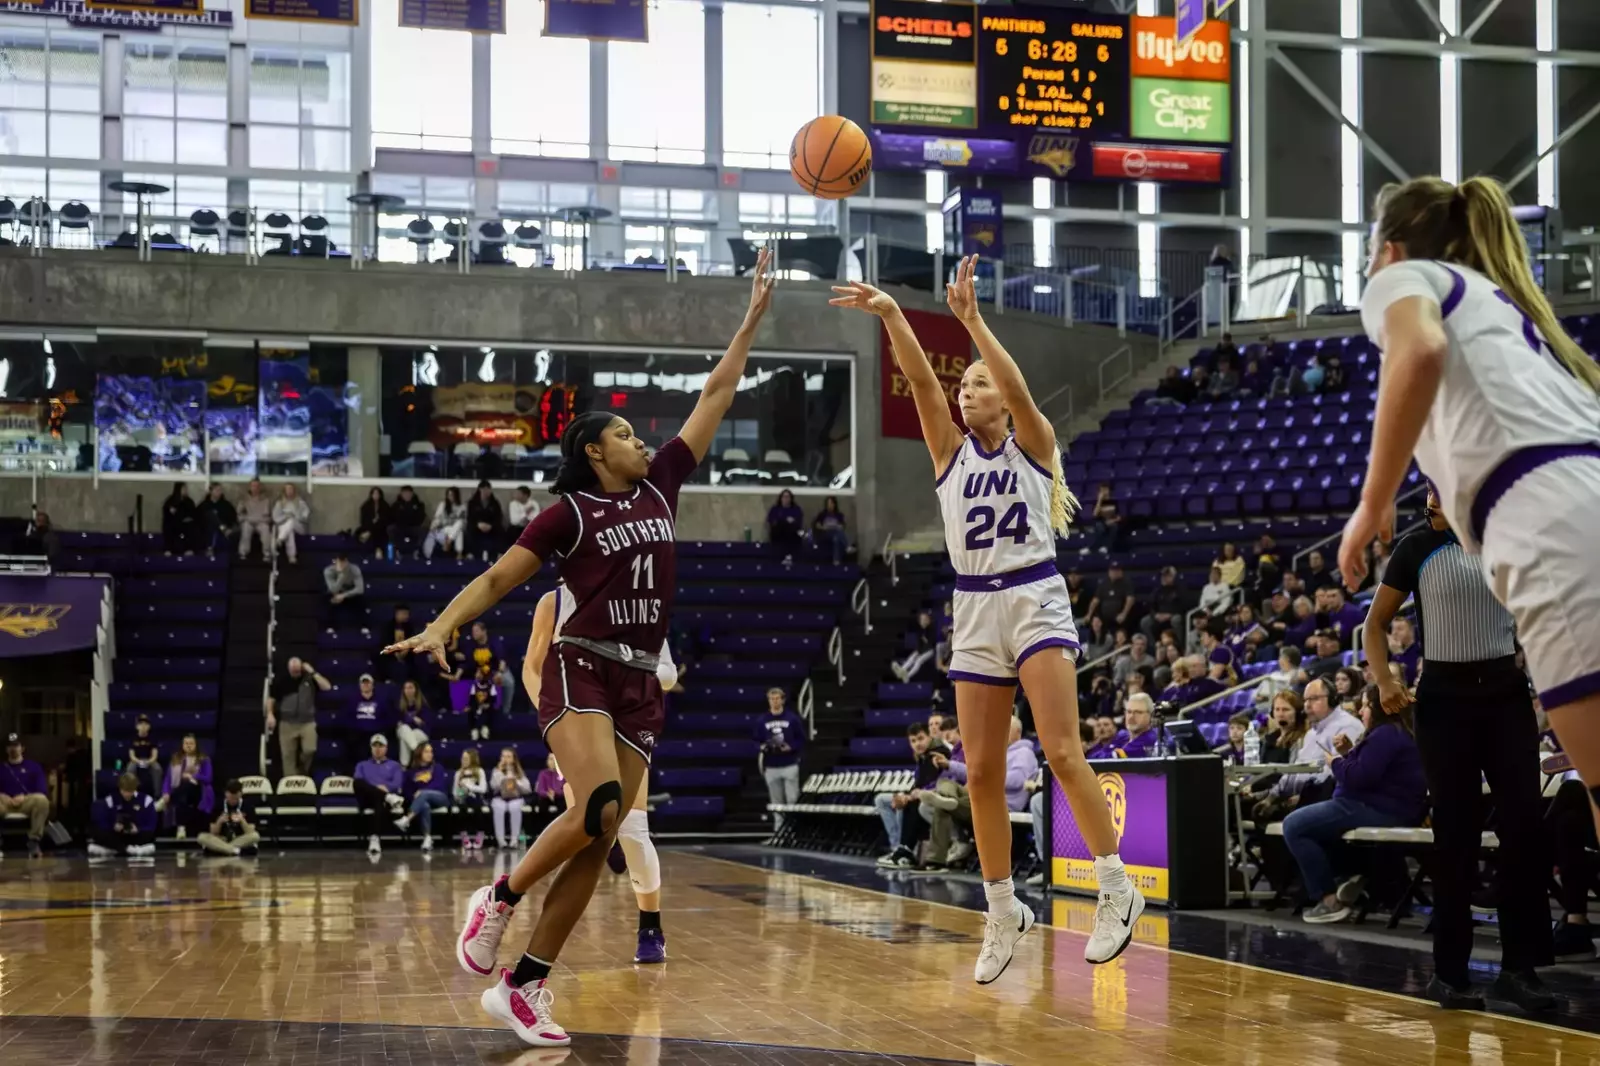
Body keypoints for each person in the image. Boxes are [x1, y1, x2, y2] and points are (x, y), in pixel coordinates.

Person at [386, 249, 774, 1045]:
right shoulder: (567, 513)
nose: (641, 440)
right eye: (625, 434)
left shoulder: (662, 484)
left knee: (601, 839)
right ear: (595, 451)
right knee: (595, 808)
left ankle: (523, 986)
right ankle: (499, 899)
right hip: (582, 665)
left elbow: (716, 392)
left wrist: (750, 322)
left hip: (640, 681)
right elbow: (498, 577)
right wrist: (442, 624)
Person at [830, 257, 1144, 981]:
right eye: (963, 384)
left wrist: (972, 321)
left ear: (1002, 397)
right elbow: (919, 383)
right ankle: (1002, 910)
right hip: (973, 604)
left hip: (1034, 595)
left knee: (1061, 750)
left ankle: (1115, 887)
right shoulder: (949, 453)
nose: (964, 391)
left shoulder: (1034, 442)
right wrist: (892, 315)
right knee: (979, 773)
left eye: (977, 383)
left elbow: (1019, 389)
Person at [1338, 177, 1600, 856]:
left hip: (1551, 519)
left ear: (1388, 248)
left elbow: (1419, 350)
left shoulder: (1402, 278)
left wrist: (1372, 501)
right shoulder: (1499, 299)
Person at [1362, 484, 1555, 1011]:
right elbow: (1375, 624)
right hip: (1444, 700)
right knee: (1456, 836)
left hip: (1506, 693)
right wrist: (1384, 681)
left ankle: (1520, 969)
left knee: (1524, 828)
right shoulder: (1415, 547)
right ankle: (1449, 974)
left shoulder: (1505, 539)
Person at [523, 584, 679, 964]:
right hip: (576, 726)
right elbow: (532, 668)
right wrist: (557, 721)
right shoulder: (553, 603)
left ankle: (651, 927)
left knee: (634, 828)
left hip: (626, 724)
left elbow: (668, 672)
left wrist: (630, 671)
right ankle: (538, 939)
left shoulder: (638, 601)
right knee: (587, 826)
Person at [1283, 685, 1427, 924]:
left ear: (1379, 708)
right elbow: (1369, 771)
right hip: (1379, 806)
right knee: (1315, 829)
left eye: (1366, 706)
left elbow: (1359, 778)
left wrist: (1335, 762)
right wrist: (1348, 752)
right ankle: (1352, 875)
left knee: (1294, 825)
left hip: (1376, 808)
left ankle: (1329, 900)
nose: (1361, 711)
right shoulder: (1393, 732)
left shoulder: (1386, 734)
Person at [874, 722, 951, 868]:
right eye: (913, 741)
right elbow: (919, 784)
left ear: (929, 737)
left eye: (921, 738)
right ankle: (899, 848)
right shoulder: (922, 756)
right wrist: (904, 795)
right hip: (925, 794)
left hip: (940, 797)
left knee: (911, 802)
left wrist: (908, 797)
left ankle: (905, 851)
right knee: (884, 800)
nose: (917, 744)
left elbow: (932, 784)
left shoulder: (937, 753)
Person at [266, 657, 331, 778]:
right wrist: (270, 714)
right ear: (288, 669)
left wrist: (312, 672)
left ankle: (302, 771)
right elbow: (271, 699)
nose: (295, 672)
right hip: (287, 723)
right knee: (287, 756)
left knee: (310, 749)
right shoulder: (282, 680)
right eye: (293, 670)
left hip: (307, 722)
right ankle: (290, 781)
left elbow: (327, 687)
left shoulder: (309, 679)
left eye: (297, 670)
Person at [353, 734, 405, 856]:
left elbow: (397, 783)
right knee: (357, 783)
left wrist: (386, 788)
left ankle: (374, 839)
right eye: (375, 746)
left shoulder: (394, 765)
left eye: (380, 746)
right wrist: (378, 788)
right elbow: (359, 781)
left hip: (382, 800)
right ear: (371, 748)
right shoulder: (362, 765)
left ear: (386, 748)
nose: (377, 749)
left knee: (378, 800)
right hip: (367, 798)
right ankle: (387, 797)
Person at [0, 734, 50, 858]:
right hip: (5, 803)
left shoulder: (34, 767)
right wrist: (3, 796)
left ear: (22, 748)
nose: (13, 749)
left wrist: (24, 797)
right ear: (6, 749)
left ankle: (34, 841)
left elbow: (42, 790)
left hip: (26, 802)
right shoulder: (1, 768)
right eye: (10, 746)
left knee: (42, 800)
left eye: (16, 745)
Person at [394, 742, 448, 852]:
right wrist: (414, 796)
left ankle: (407, 819)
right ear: (419, 753)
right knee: (424, 805)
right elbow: (406, 791)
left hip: (440, 797)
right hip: (420, 801)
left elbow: (439, 785)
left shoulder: (437, 768)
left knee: (423, 794)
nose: (430, 754)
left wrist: (422, 791)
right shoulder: (410, 772)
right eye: (426, 751)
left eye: (431, 752)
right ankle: (427, 838)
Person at [88, 773, 158, 858]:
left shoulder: (146, 800)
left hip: (135, 836)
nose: (127, 794)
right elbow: (104, 822)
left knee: (149, 834)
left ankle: (114, 850)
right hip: (117, 836)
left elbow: (151, 824)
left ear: (135, 789)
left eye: (130, 791)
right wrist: (113, 826)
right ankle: (128, 850)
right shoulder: (110, 799)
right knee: (96, 831)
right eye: (124, 791)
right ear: (120, 788)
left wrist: (138, 829)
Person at [160, 733, 214, 837]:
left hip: (198, 790)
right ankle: (180, 827)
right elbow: (168, 778)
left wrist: (193, 776)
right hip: (180, 792)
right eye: (186, 743)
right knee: (182, 794)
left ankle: (181, 826)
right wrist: (166, 792)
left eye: (191, 743)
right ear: (182, 745)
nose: (188, 746)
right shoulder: (176, 759)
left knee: (187, 785)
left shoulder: (204, 759)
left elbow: (208, 778)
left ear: (196, 745)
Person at [197, 779, 260, 856]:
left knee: (255, 836)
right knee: (202, 837)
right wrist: (219, 821)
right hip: (221, 839)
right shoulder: (217, 805)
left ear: (240, 794)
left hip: (239, 839)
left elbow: (250, 832)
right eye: (230, 798)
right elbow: (213, 832)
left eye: (235, 798)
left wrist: (242, 820)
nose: (233, 801)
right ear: (226, 793)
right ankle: (234, 850)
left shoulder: (248, 806)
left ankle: (223, 849)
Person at [491, 748, 532, 850]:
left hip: (515, 798)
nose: (505, 759)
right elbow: (493, 786)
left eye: (508, 756)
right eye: (503, 756)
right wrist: (500, 774)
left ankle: (514, 840)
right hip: (500, 798)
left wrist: (516, 781)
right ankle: (501, 841)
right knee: (498, 808)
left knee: (514, 808)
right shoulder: (496, 771)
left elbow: (528, 789)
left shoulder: (519, 772)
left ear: (513, 759)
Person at [453, 748, 490, 851]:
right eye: (462, 758)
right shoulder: (458, 773)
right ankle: (464, 836)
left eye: (466, 759)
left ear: (472, 759)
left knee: (477, 808)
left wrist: (469, 787)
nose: (463, 761)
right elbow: (455, 792)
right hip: (462, 798)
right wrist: (461, 792)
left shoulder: (479, 771)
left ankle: (480, 834)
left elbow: (483, 789)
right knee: (462, 809)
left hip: (476, 797)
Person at [892, 609, 939, 682]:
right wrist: (918, 651)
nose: (923, 621)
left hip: (930, 650)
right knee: (912, 656)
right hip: (922, 649)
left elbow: (931, 643)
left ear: (928, 620)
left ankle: (907, 676)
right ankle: (902, 670)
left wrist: (923, 647)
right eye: (921, 620)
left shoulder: (932, 628)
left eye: (925, 619)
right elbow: (920, 644)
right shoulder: (920, 631)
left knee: (919, 661)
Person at [325, 553, 367, 632]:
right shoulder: (328, 571)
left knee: (361, 600)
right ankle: (330, 627)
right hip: (336, 593)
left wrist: (343, 595)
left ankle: (364, 627)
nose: (342, 565)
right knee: (329, 601)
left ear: (347, 561)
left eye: (344, 562)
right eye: (339, 562)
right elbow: (333, 589)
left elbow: (360, 589)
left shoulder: (354, 569)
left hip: (350, 593)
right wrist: (341, 575)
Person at [395, 679, 433, 766]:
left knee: (405, 739)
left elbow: (424, 724)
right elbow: (398, 722)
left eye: (410, 687)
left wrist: (408, 719)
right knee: (404, 729)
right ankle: (418, 751)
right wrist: (413, 719)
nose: (408, 690)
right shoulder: (399, 705)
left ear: (416, 690)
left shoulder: (423, 705)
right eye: (406, 688)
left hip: (420, 733)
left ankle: (404, 765)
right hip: (404, 731)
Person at [425, 486, 466, 560]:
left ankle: (449, 541)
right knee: (458, 532)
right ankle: (459, 553)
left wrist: (450, 537)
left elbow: (463, 522)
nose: (450, 497)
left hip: (454, 530)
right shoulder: (442, 505)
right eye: (448, 495)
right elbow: (437, 518)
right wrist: (433, 526)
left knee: (460, 524)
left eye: (452, 495)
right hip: (443, 529)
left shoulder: (462, 507)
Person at [467, 480, 505, 559]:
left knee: (500, 529)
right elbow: (470, 518)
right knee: (470, 528)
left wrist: (491, 526)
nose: (486, 492)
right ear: (479, 490)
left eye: (488, 489)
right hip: (477, 526)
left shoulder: (495, 503)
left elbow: (498, 517)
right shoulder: (472, 503)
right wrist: (478, 524)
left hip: (491, 526)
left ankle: (499, 553)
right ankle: (471, 553)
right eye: (484, 489)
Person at [197, 484, 237, 558]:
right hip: (208, 529)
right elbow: (198, 518)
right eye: (217, 490)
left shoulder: (226, 505)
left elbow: (232, 518)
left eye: (220, 490)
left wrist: (230, 527)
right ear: (211, 491)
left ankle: (210, 548)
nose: (219, 492)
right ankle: (222, 528)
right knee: (210, 515)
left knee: (214, 522)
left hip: (224, 529)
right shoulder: (204, 505)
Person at [272, 484, 309, 564]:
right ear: (284, 491)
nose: (289, 491)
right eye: (288, 489)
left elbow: (305, 515)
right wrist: (286, 517)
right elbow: (275, 518)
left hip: (298, 526)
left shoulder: (300, 502)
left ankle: (280, 539)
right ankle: (291, 556)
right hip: (283, 526)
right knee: (290, 532)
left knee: (291, 521)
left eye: (291, 489)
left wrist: (296, 517)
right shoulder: (280, 503)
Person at [127, 714, 161, 799]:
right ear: (137, 726)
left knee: (157, 769)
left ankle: (157, 795)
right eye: (141, 724)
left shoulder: (153, 738)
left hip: (150, 760)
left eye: (145, 724)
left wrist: (148, 762)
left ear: (149, 726)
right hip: (136, 760)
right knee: (130, 769)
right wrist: (139, 762)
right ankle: (131, 793)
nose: (143, 726)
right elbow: (131, 755)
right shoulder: (133, 738)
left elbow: (154, 755)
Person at [237, 478, 272, 561]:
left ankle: (267, 553)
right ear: (250, 487)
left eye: (257, 486)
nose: (255, 488)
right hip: (249, 520)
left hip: (261, 521)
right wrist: (244, 517)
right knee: (246, 528)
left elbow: (269, 515)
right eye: (253, 486)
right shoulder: (244, 499)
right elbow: (239, 513)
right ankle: (243, 553)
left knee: (265, 529)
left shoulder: (266, 499)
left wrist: (266, 520)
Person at [390, 485, 428, 557]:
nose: (407, 495)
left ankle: (417, 550)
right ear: (401, 494)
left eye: (409, 493)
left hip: (413, 527)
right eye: (405, 493)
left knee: (423, 530)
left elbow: (420, 518)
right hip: (400, 527)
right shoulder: (396, 505)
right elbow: (394, 517)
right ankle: (396, 550)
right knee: (390, 528)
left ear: (412, 494)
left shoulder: (419, 505)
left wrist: (407, 517)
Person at [766, 489, 804, 558]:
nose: (786, 499)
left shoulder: (796, 509)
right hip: (778, 533)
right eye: (784, 497)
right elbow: (771, 521)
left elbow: (799, 522)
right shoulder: (775, 509)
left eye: (788, 497)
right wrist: (784, 520)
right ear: (781, 498)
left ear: (791, 498)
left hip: (792, 533)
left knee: (794, 529)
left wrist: (792, 521)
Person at [812, 496, 848, 565]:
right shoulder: (822, 514)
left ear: (834, 504)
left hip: (835, 533)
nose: (829, 505)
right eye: (828, 503)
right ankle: (847, 546)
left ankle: (836, 561)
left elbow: (842, 526)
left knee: (836, 538)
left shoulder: (839, 515)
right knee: (838, 535)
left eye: (831, 503)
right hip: (825, 533)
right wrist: (823, 527)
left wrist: (837, 527)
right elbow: (817, 525)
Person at [356, 487, 390, 556]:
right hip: (368, 526)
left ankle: (378, 550)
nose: (376, 496)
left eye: (377, 494)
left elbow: (387, 520)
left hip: (381, 527)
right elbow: (363, 520)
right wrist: (372, 522)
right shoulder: (366, 506)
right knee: (357, 533)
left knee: (378, 531)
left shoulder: (385, 505)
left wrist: (377, 521)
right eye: (374, 494)